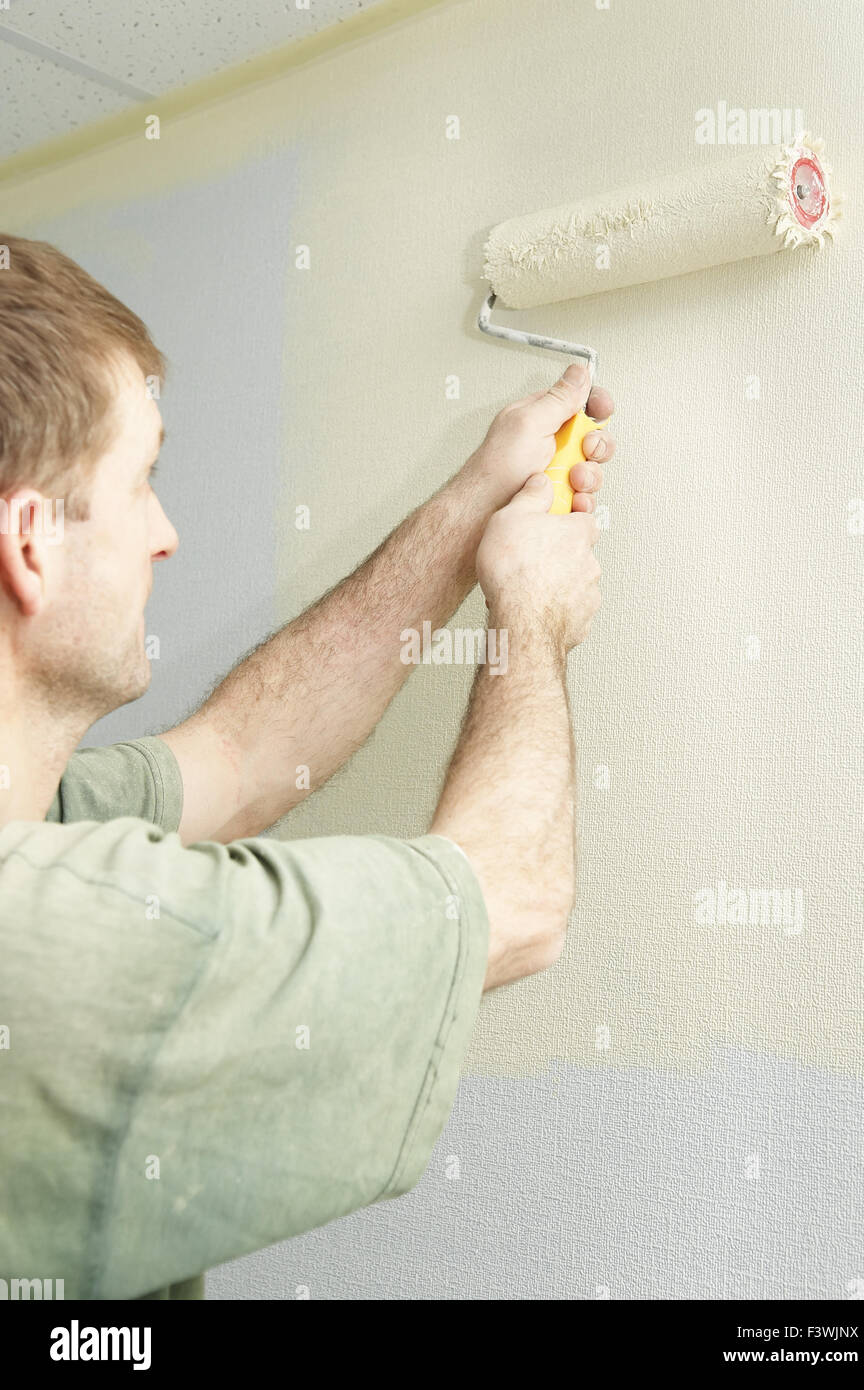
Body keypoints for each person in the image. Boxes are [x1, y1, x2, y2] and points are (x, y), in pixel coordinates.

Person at [0, 234, 615, 1300]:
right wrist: (532, 614)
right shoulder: (58, 943)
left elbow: (244, 754)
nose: (167, 533)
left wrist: (477, 501)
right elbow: (511, 902)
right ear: (31, 542)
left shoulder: (36, 820)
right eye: (143, 479)